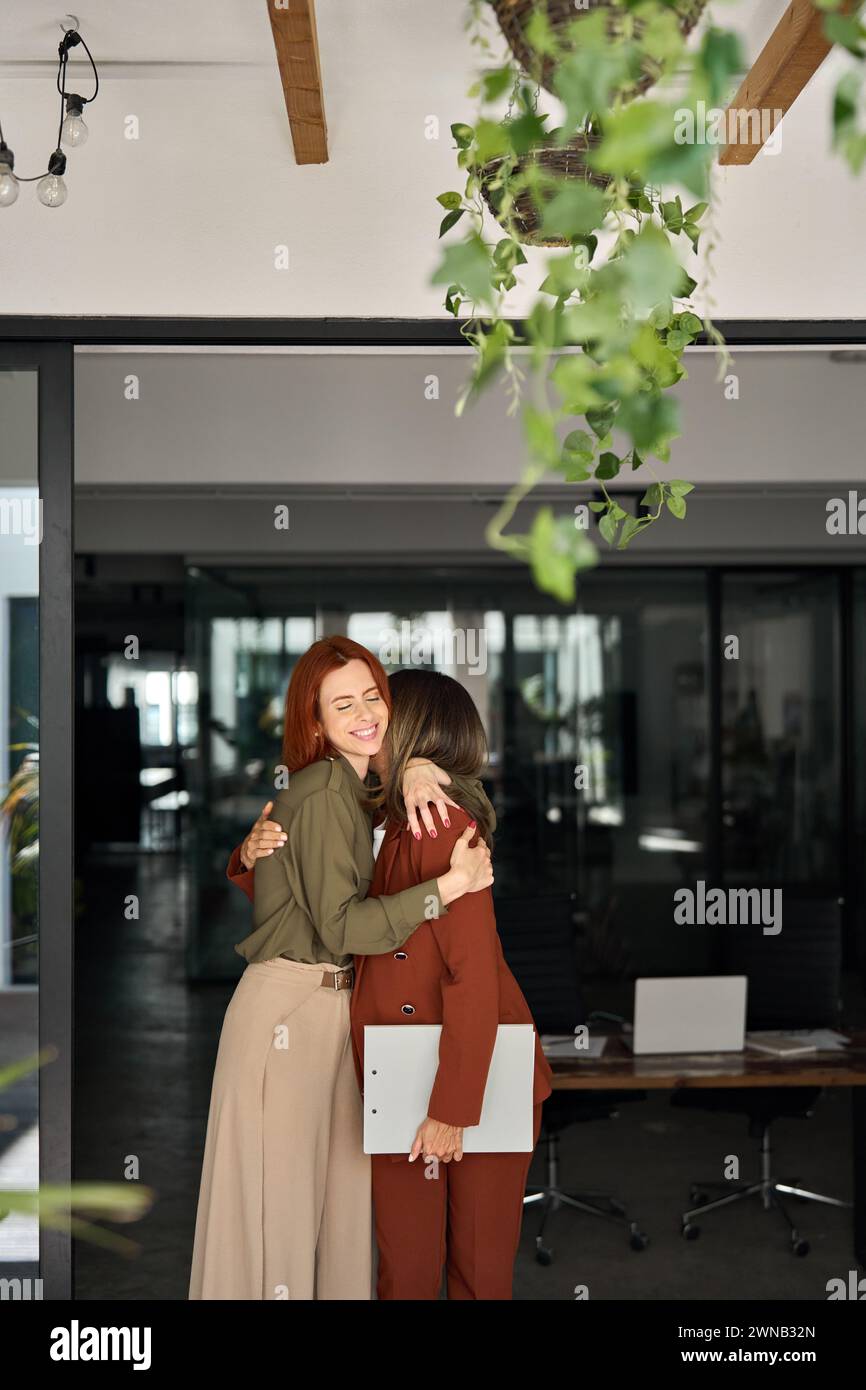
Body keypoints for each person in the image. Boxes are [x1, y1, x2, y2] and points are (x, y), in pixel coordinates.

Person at [189, 636, 492, 1301]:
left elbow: (467, 972)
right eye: (343, 704)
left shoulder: (386, 804)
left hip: (352, 1023)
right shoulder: (333, 794)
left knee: (342, 1222)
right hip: (298, 1010)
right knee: (284, 1220)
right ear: (316, 722)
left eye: (375, 699)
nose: (366, 716)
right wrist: (447, 887)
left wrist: (418, 771)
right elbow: (335, 921)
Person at [352, 668, 553, 1299]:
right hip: (409, 1069)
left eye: (382, 719)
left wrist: (451, 1109)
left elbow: (472, 979)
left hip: (462, 1077)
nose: (366, 731)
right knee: (409, 1272)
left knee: (473, 1276)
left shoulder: (437, 823)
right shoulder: (393, 815)